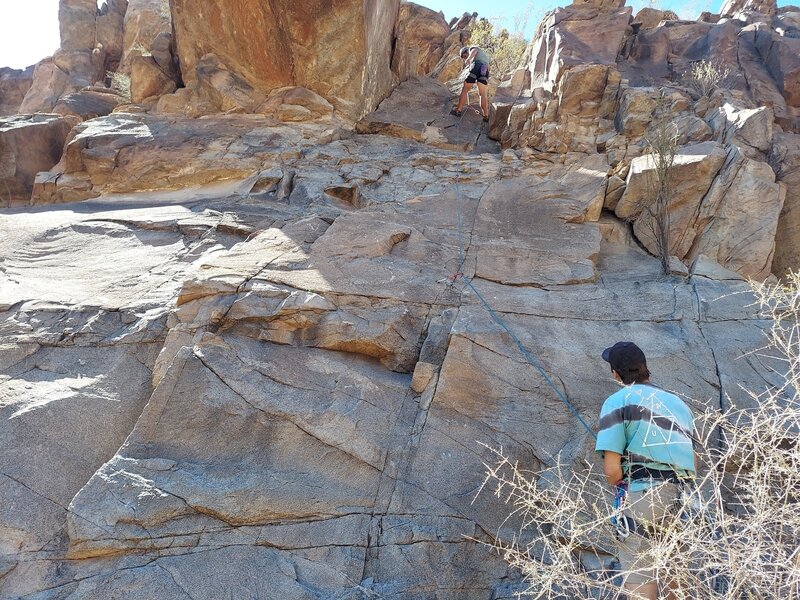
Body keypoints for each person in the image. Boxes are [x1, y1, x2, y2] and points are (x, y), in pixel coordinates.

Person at [595, 342, 697, 600]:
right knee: (676, 575)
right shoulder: (678, 404)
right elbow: (694, 460)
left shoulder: (617, 401)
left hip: (641, 496)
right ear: (645, 369)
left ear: (615, 373)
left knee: (640, 576)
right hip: (683, 498)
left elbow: (612, 471)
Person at [450, 45, 490, 122]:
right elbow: (488, 68)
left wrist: (469, 59)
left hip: (476, 66)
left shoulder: (472, 48)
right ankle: (486, 115)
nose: (465, 58)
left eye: (464, 56)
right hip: (484, 70)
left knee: (465, 89)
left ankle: (458, 110)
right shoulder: (484, 57)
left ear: (466, 51)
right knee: (483, 94)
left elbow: (474, 51)